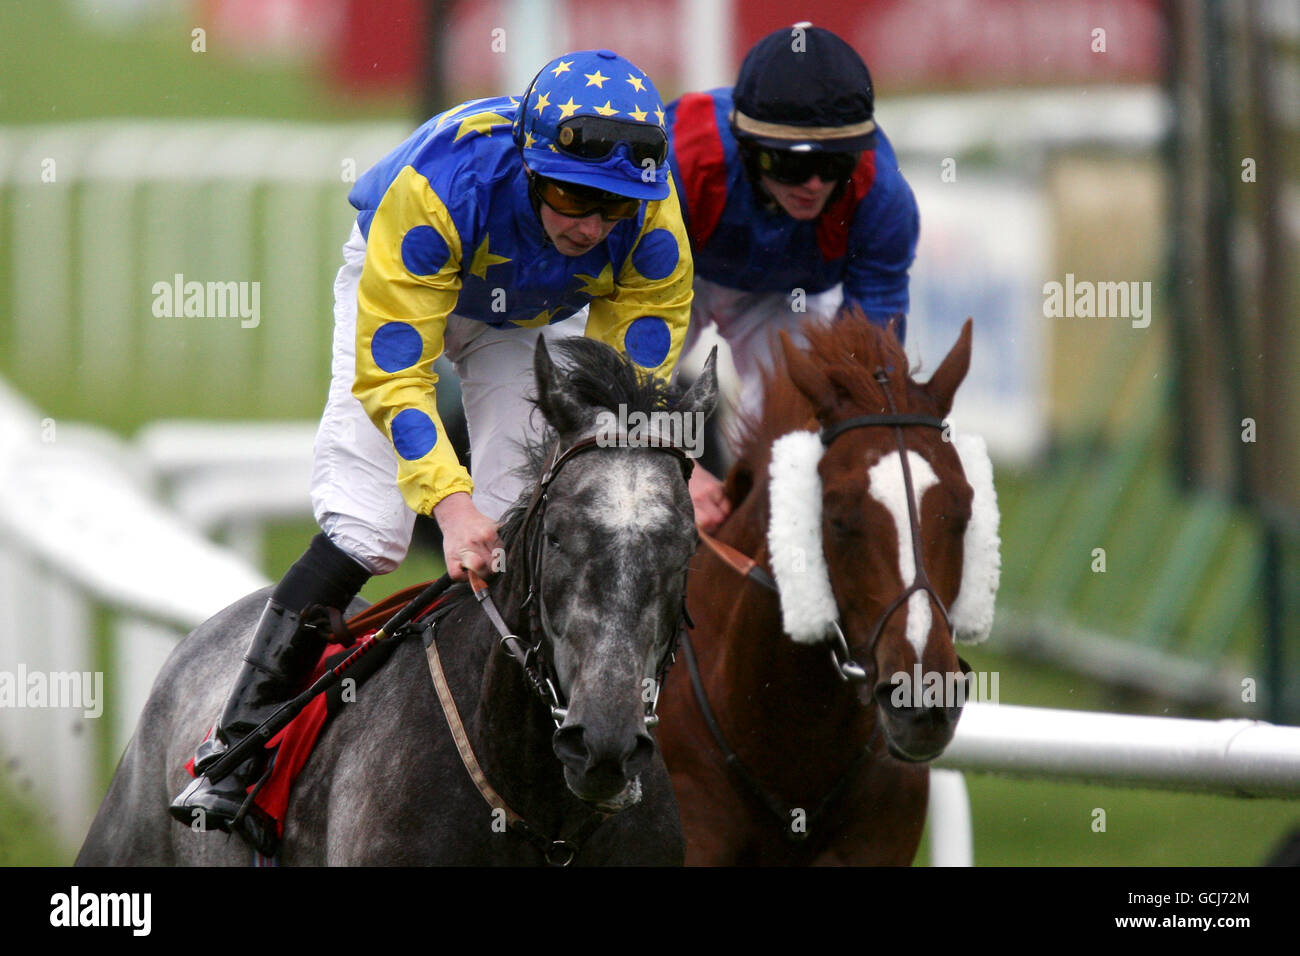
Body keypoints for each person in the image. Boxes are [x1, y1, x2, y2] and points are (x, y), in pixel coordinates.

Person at [169, 49, 693, 847]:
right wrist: (448, 506)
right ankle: (234, 744)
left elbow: (622, 400)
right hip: (404, 301)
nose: (590, 225)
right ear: (528, 165)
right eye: (569, 194)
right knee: (369, 526)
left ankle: (559, 731)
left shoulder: (654, 229)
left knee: (536, 516)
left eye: (614, 209)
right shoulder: (439, 188)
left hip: (521, 320)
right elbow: (395, 377)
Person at [666, 24, 920, 532]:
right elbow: (621, 356)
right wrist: (675, 468)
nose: (814, 185)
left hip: (785, 295)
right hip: (674, 277)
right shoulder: (682, 158)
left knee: (804, 443)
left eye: (833, 164)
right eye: (788, 163)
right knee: (613, 422)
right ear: (747, 147)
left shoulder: (881, 198)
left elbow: (867, 365)